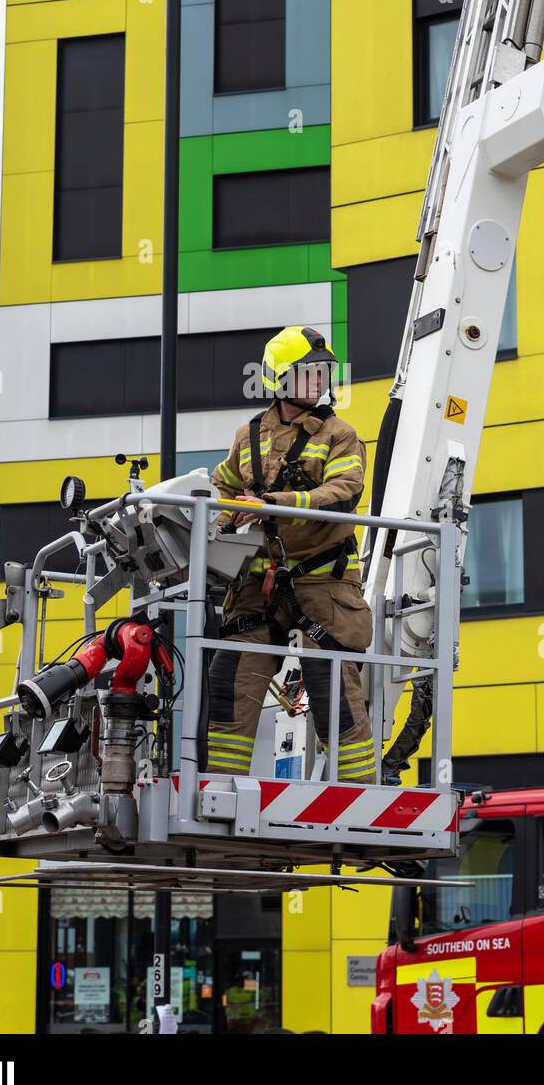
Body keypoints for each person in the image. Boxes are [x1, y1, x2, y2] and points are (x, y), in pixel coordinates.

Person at [206, 326, 376, 783]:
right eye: (308, 372)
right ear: (279, 379)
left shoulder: (340, 434)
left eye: (324, 371)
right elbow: (222, 485)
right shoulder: (248, 435)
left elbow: (343, 494)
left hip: (324, 584)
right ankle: (221, 790)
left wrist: (270, 505)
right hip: (256, 590)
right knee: (231, 679)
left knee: (332, 686)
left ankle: (358, 792)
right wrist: (220, 521)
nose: (320, 380)